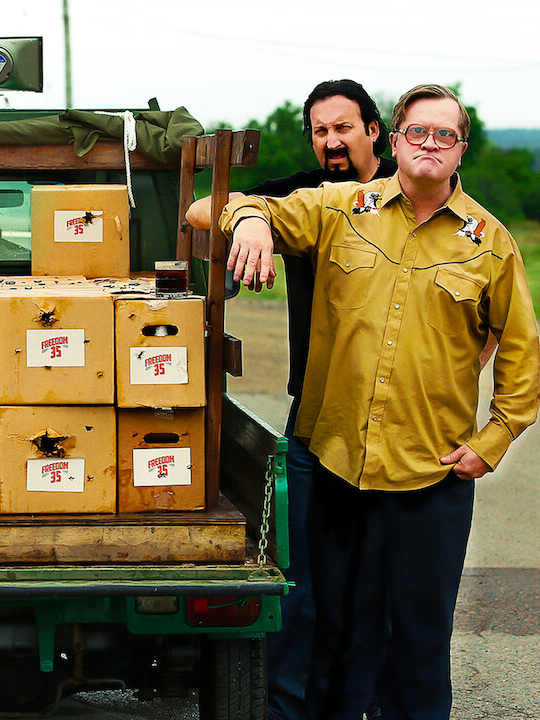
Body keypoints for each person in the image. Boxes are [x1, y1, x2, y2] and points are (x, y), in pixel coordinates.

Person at [221, 84, 539, 720]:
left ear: (459, 151)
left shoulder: (491, 243)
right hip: (341, 470)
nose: (429, 143)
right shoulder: (342, 208)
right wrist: (253, 219)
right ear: (395, 142)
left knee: (420, 645)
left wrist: (493, 441)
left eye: (443, 135)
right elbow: (247, 208)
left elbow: (523, 355)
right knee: (339, 638)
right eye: (417, 132)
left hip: (432, 476)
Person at [189, 79, 397, 720]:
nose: (332, 142)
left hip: (398, 430)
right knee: (299, 580)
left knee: (382, 585)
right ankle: (289, 708)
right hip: (316, 420)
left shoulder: (409, 195)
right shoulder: (309, 195)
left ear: (374, 132)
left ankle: (370, 703)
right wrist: (248, 217)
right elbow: (200, 209)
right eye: (320, 131)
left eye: (344, 128)